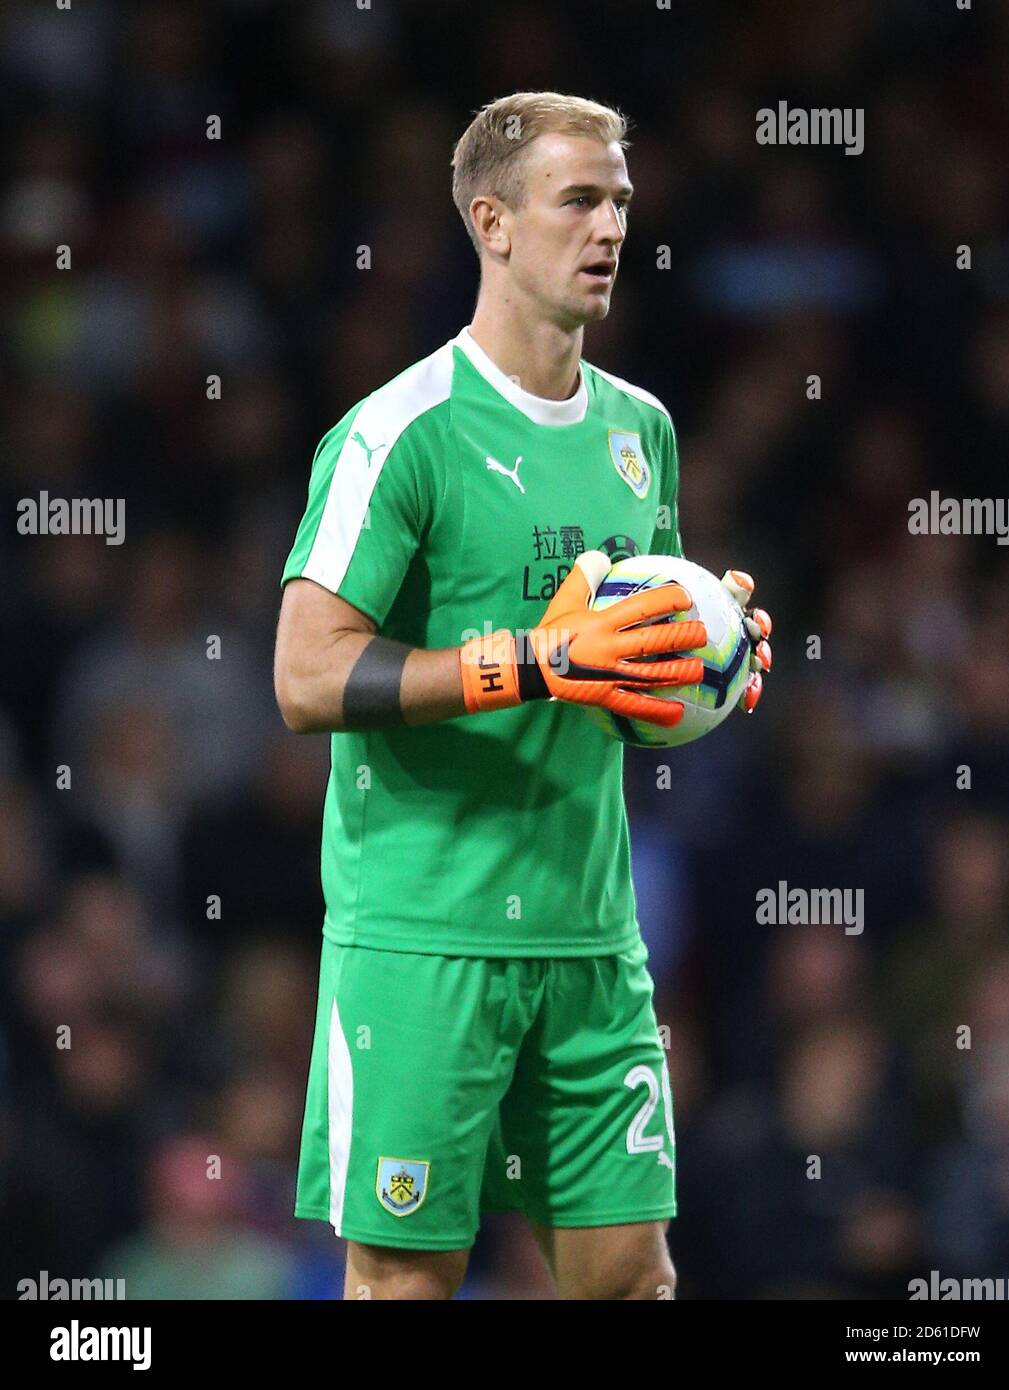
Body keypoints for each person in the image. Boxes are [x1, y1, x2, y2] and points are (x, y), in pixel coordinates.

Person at [273, 91, 773, 1300]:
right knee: (405, 1284)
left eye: (619, 203)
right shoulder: (400, 433)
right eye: (579, 201)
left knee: (631, 1281)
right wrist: (532, 662)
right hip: (423, 937)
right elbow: (304, 673)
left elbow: (614, 668)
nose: (609, 228)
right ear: (491, 223)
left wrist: (703, 663)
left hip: (591, 937)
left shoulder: (639, 432)